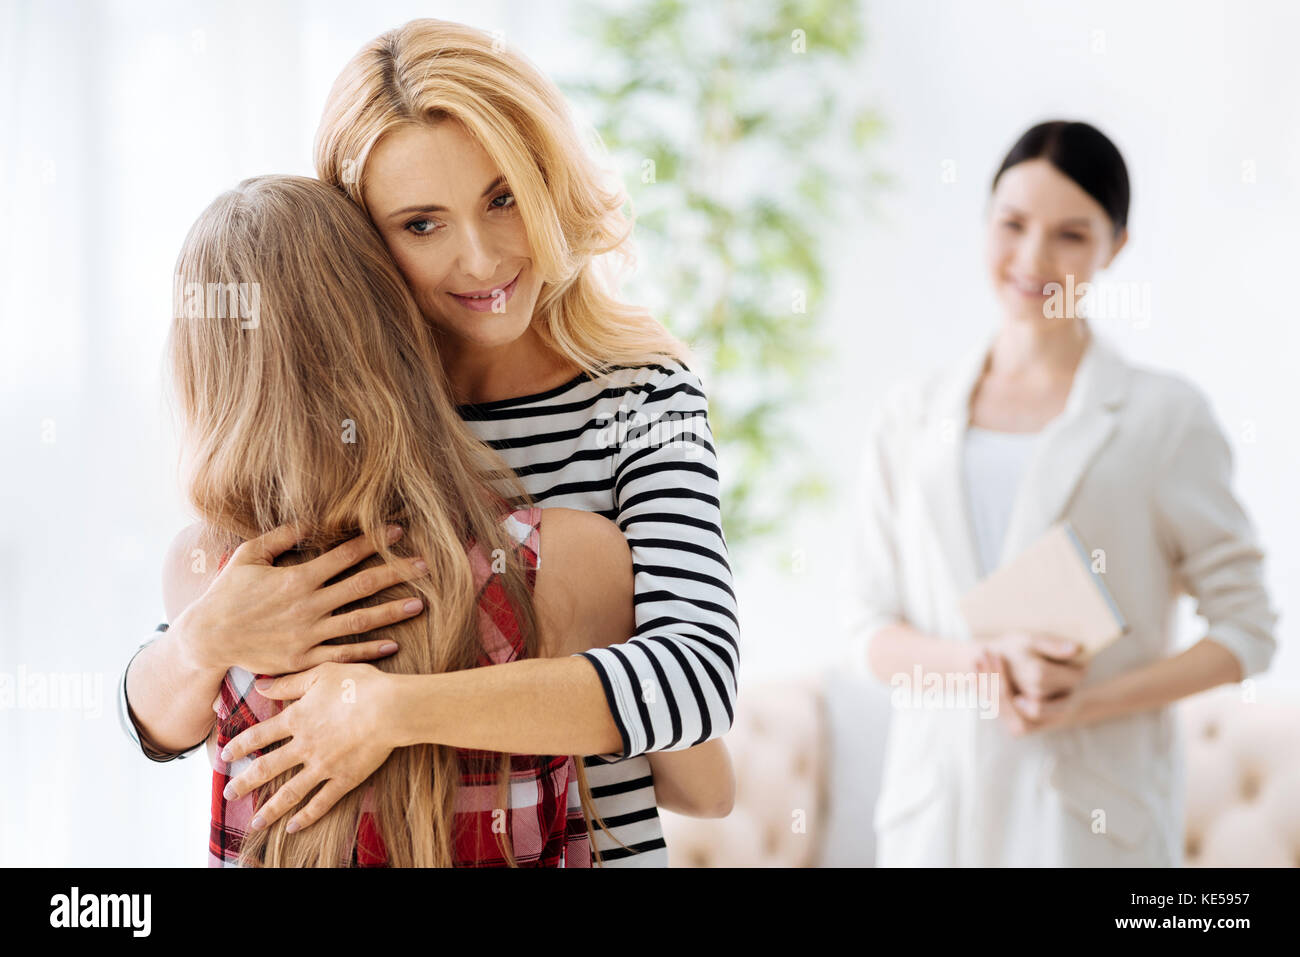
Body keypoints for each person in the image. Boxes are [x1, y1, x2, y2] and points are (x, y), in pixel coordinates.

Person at [120, 18, 738, 866]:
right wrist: (198, 639)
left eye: (503, 197)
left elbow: (694, 682)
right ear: (362, 241)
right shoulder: (343, 424)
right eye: (421, 224)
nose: (481, 260)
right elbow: (169, 719)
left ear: (547, 181)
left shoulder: (644, 396)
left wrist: (392, 709)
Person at [845, 120, 1277, 866]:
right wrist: (986, 662)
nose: (1032, 259)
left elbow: (1248, 632)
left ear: (1117, 246)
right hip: (934, 814)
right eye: (1012, 224)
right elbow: (868, 630)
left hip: (1091, 818)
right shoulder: (909, 418)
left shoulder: (1164, 419)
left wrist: (1089, 701)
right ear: (985, 222)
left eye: (1071, 235)